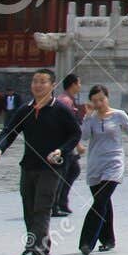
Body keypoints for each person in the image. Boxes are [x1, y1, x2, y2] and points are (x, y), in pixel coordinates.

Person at [0, 67, 83, 255]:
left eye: (42, 81)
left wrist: (61, 150)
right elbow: (9, 131)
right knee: (29, 210)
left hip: (52, 168)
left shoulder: (60, 109)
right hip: (29, 166)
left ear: (52, 85)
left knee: (42, 208)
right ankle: (42, 252)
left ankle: (33, 252)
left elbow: (75, 134)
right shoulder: (25, 110)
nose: (38, 85)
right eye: (35, 81)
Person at [76, 84, 128, 255]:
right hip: (95, 163)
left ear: (107, 98)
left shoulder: (119, 115)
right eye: (95, 101)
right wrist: (87, 117)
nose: (99, 103)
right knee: (103, 201)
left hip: (114, 162)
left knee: (100, 200)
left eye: (101, 99)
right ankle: (108, 239)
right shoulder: (91, 118)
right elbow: (84, 137)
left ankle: (86, 242)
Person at [52, 73, 86, 216]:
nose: (80, 86)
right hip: (63, 144)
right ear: (73, 84)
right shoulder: (65, 101)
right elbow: (68, 126)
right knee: (63, 173)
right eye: (79, 83)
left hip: (65, 143)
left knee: (73, 170)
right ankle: (55, 205)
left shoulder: (67, 99)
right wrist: (77, 144)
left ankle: (61, 202)